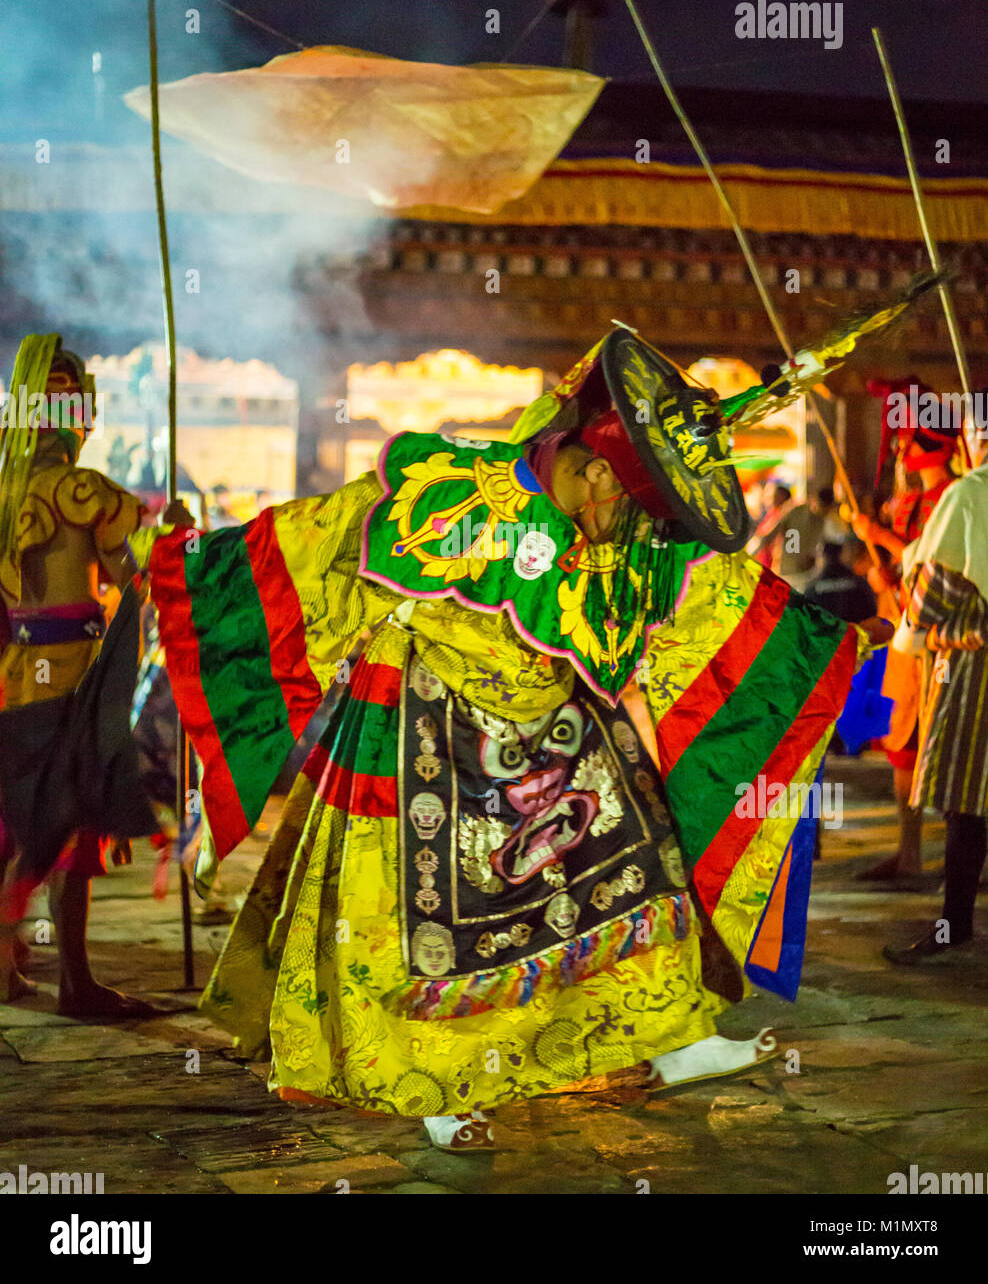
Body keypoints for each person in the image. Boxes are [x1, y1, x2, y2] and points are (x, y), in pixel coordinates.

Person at [147, 334, 887, 1151]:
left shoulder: (621, 528)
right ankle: (436, 1082)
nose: (639, 528)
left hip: (566, 738)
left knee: (644, 882)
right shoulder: (450, 493)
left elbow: (718, 589)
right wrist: (189, 559)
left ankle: (673, 1035)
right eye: (634, 506)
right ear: (598, 471)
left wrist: (832, 635)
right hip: (430, 737)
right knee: (419, 932)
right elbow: (310, 548)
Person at [0, 336, 159, 1015]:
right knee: (64, 830)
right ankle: (76, 984)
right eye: (62, 401)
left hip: (14, 678)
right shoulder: (80, 490)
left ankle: (7, 973)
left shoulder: (8, 493)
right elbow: (133, 575)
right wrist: (170, 542)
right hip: (65, 678)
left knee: (18, 822)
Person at [883, 399, 988, 965]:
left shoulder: (970, 494)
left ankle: (955, 928)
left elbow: (935, 591)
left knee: (966, 803)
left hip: (974, 668)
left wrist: (910, 631)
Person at [852, 378, 959, 888]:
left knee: (958, 752)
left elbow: (937, 564)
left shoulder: (954, 500)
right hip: (905, 639)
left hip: (945, 642)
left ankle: (965, 864)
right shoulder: (913, 501)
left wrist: (883, 541)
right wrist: (881, 569)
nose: (900, 449)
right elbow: (904, 567)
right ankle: (910, 853)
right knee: (903, 749)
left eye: (908, 439)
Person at [752, 486, 829, 594]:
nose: (820, 510)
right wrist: (751, 557)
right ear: (813, 499)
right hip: (788, 573)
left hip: (810, 574)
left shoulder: (827, 517)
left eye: (824, 508)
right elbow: (769, 535)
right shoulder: (795, 510)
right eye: (818, 505)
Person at [803, 539, 877, 624]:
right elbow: (872, 611)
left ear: (820, 557)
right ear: (841, 554)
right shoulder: (860, 582)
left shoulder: (811, 589)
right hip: (860, 633)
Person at [749, 482, 791, 569]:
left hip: (774, 561)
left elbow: (768, 537)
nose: (770, 497)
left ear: (782, 497)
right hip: (763, 558)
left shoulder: (783, 516)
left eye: (774, 495)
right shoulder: (771, 513)